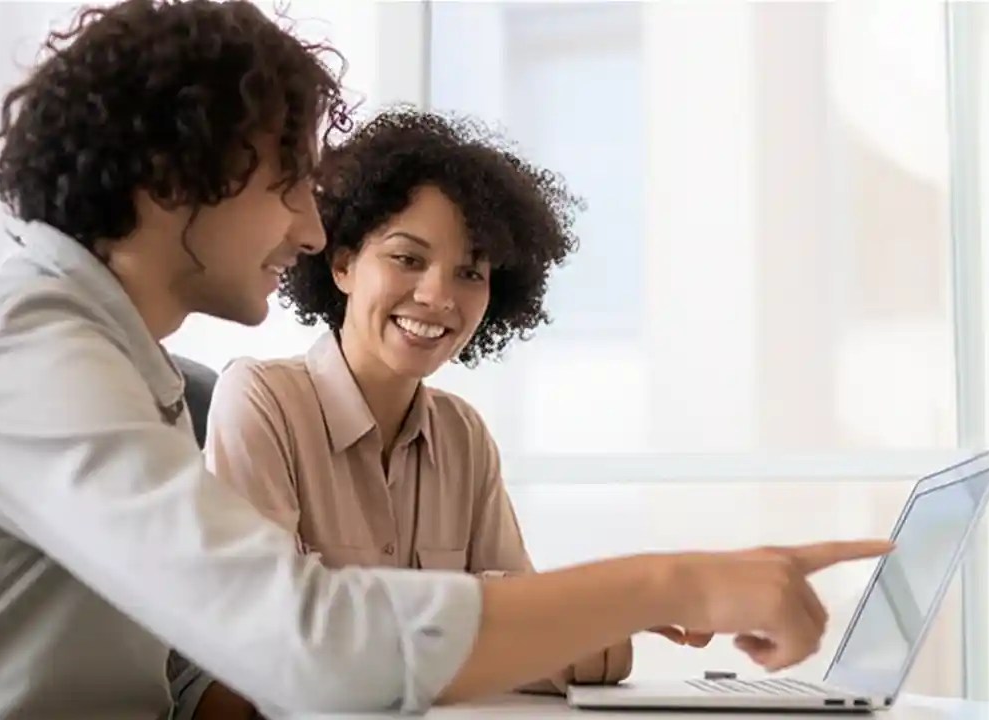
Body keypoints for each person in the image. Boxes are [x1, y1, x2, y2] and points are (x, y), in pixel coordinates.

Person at [0, 2, 891, 719]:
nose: (310, 233)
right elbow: (300, 647)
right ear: (167, 175)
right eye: (286, 184)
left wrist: (584, 611)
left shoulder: (119, 365)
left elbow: (194, 665)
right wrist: (673, 577)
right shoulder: (24, 348)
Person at [177, 109, 719, 717]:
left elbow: (554, 644)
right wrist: (513, 626)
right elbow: (273, 649)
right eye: (408, 259)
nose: (438, 296)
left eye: (469, 272)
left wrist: (603, 615)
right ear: (343, 263)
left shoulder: (463, 437)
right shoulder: (260, 399)